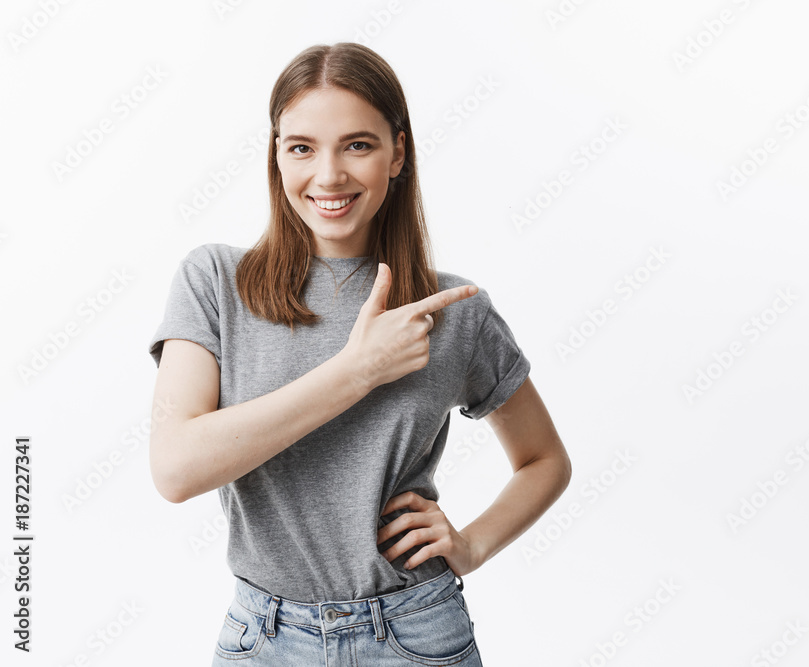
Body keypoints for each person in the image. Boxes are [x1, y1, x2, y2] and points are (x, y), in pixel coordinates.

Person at [147, 42, 571, 665]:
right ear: (276, 154)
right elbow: (176, 469)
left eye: (358, 145)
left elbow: (544, 460)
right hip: (264, 638)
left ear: (398, 152)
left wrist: (472, 546)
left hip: (415, 634)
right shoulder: (215, 282)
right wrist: (356, 371)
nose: (328, 176)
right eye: (301, 147)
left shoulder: (452, 309)